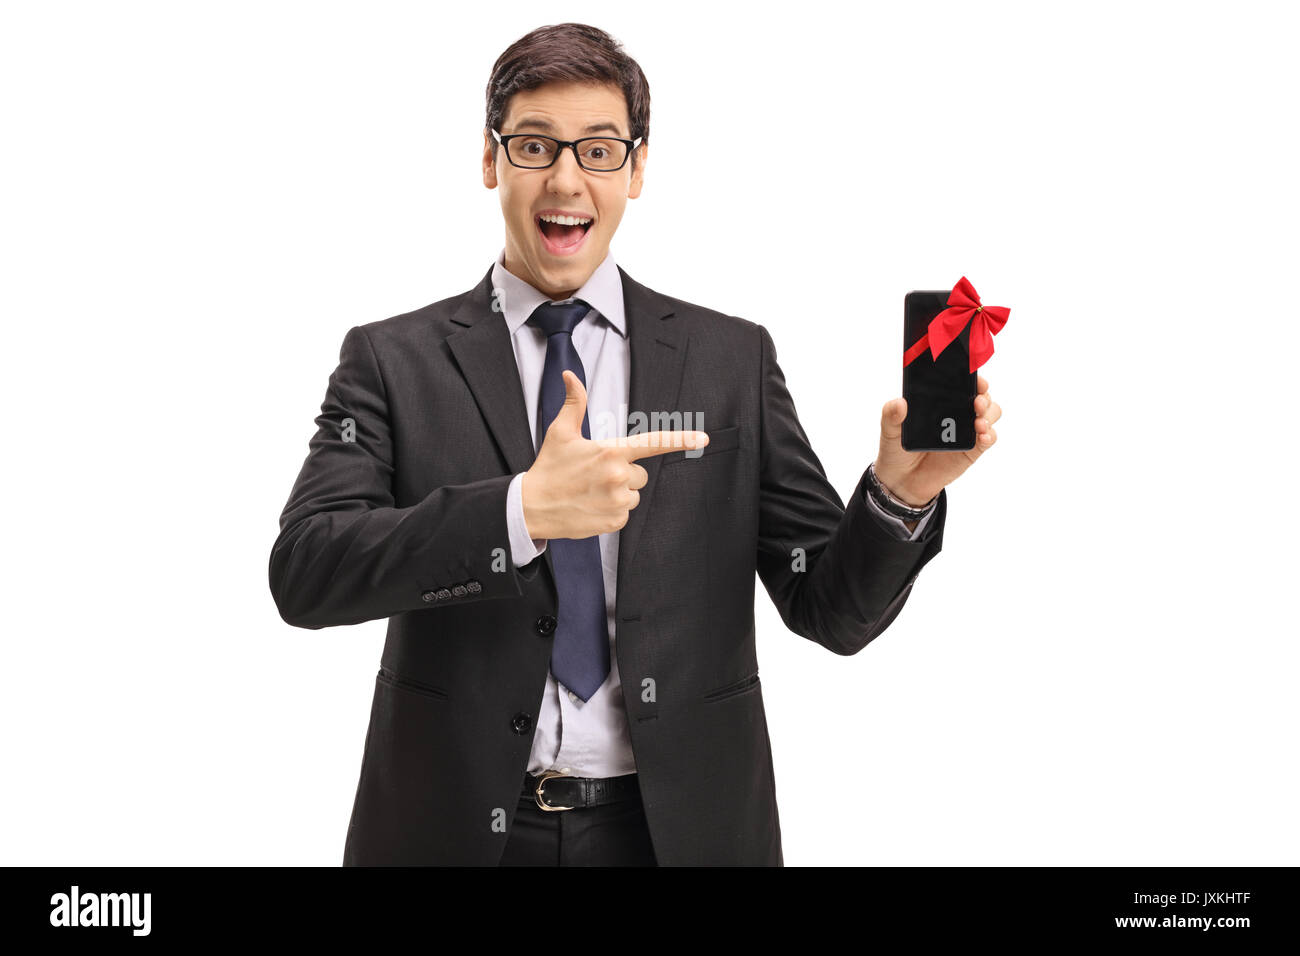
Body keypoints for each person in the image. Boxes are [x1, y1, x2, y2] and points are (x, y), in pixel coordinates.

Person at [268, 21, 1002, 866]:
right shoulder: (391, 360)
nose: (566, 179)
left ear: (639, 168)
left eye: (600, 150)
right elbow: (306, 570)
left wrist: (899, 494)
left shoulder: (731, 360)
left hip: (675, 835)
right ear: (489, 160)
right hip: (456, 830)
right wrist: (519, 512)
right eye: (536, 146)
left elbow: (830, 609)